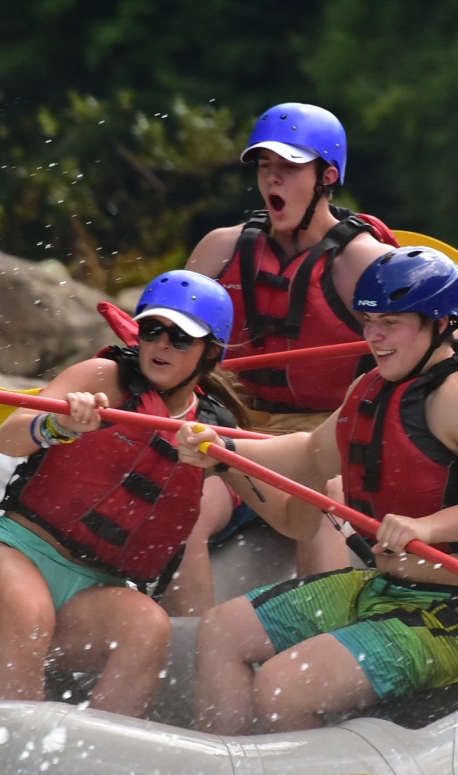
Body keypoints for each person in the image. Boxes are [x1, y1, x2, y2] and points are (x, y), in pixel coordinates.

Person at [176, 246, 458, 735]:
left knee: (285, 684)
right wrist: (222, 449)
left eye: (390, 322)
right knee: (223, 629)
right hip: (382, 588)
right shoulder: (373, 388)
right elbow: (310, 453)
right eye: (368, 320)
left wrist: (429, 527)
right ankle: (228, 770)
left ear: (440, 323)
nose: (372, 336)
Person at [0, 270, 250, 718]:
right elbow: (9, 438)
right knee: (29, 614)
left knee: (148, 627)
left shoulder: (213, 428)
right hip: (14, 554)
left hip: (94, 589)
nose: (162, 344)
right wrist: (59, 425)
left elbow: (281, 507)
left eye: (181, 338)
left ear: (210, 353)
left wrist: (223, 457)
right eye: (153, 329)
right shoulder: (103, 376)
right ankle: (6, 750)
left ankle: (103, 759)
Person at [179, 102, 396, 601]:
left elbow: (434, 353)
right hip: (233, 426)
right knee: (180, 501)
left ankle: (322, 629)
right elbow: (161, 345)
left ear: (327, 176)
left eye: (290, 167)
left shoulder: (362, 263)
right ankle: (185, 646)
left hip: (333, 432)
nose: (273, 179)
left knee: (322, 495)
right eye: (265, 167)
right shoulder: (221, 250)